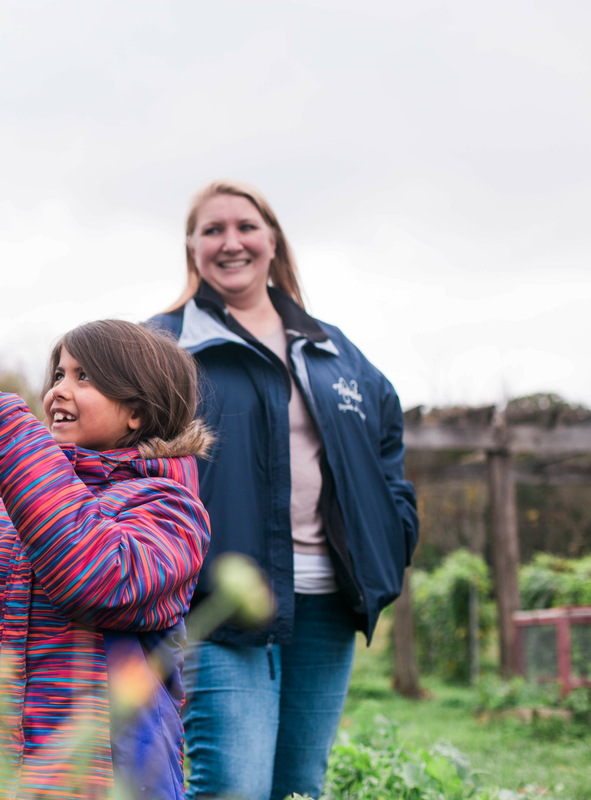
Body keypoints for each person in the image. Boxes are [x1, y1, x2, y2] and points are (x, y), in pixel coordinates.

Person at [149, 180, 418, 800]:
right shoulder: (163, 346)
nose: (230, 241)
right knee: (233, 787)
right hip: (218, 602)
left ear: (272, 240)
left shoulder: (332, 350)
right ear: (191, 249)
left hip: (326, 602)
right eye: (211, 230)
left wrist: (392, 540)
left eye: (245, 226)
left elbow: (386, 446)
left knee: (301, 787)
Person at [0, 320, 213, 800]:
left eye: (83, 377)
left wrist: (20, 446)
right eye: (59, 374)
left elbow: (95, 579)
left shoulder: (170, 510)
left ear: (137, 410)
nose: (57, 392)